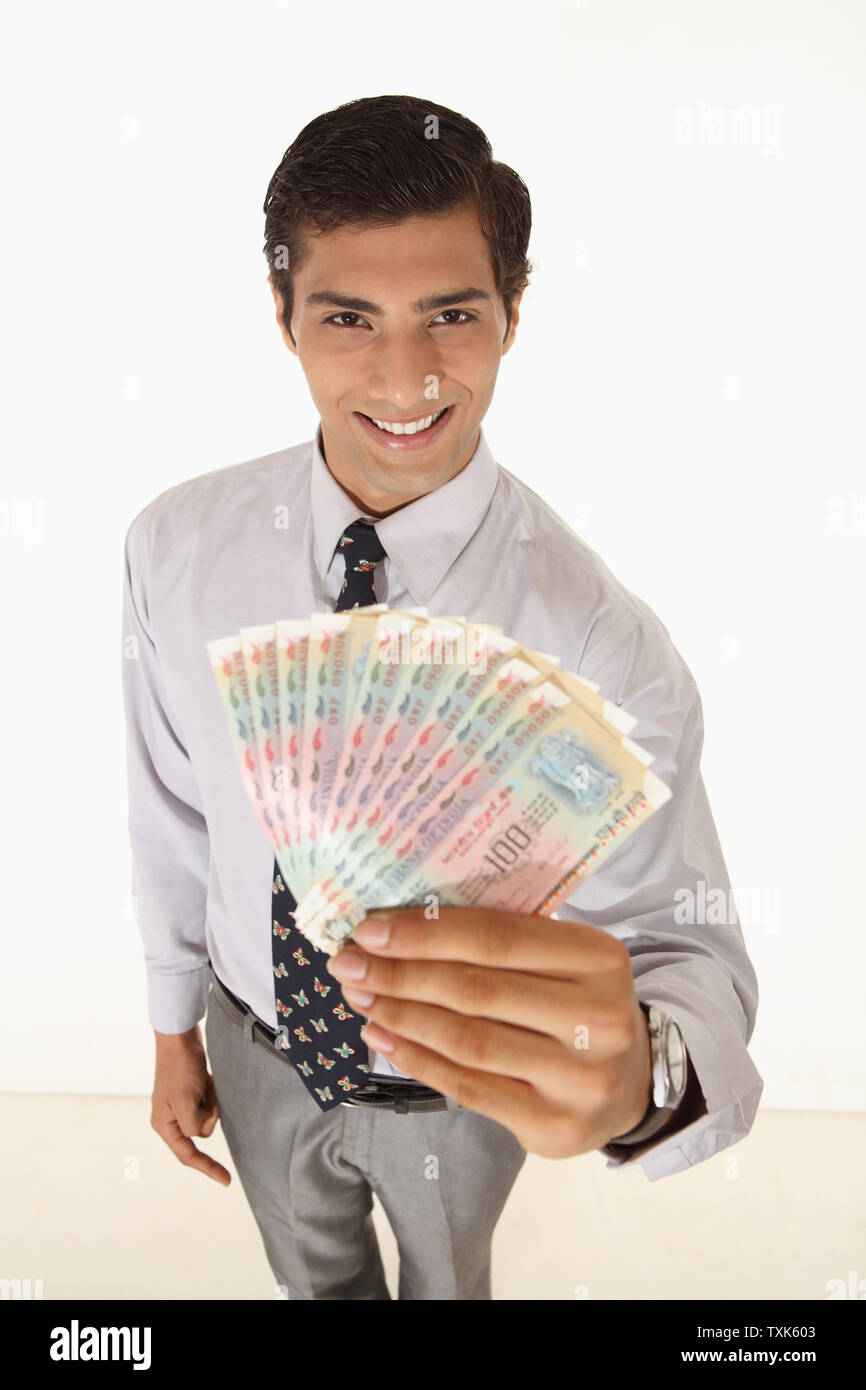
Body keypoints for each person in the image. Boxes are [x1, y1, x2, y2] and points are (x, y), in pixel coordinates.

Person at [121, 94, 763, 1301]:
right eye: (348, 318)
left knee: (445, 1286)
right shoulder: (174, 547)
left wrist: (643, 1081)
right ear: (282, 317)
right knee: (309, 1279)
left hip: (453, 1096)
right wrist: (172, 1027)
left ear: (513, 314)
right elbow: (172, 807)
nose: (405, 374)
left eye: (452, 315)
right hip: (252, 1043)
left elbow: (682, 945)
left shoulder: (601, 646)